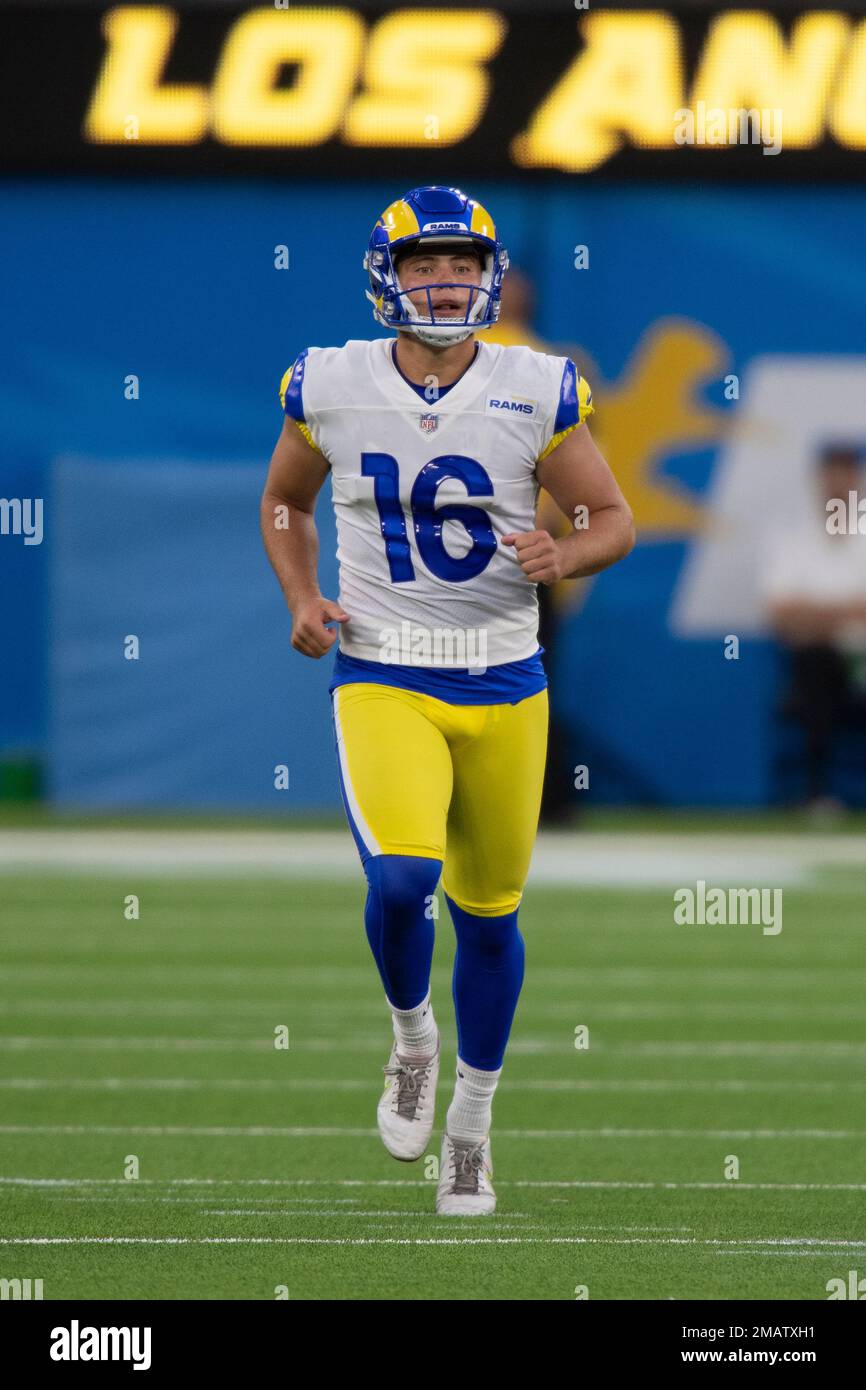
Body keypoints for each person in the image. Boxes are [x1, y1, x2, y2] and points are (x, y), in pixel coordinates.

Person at [260, 185, 634, 1215]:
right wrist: (301, 593)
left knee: (490, 918)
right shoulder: (329, 380)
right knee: (399, 883)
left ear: (491, 274)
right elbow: (286, 500)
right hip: (384, 668)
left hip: (505, 676)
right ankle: (412, 1039)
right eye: (426, 262)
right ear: (387, 275)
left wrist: (564, 550)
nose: (446, 280)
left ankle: (470, 1124)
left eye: (463, 263)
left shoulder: (535, 385)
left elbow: (611, 515)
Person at [762, 444, 866, 811]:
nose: (839, 484)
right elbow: (780, 614)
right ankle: (817, 793)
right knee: (815, 663)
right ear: (819, 479)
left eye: (848, 473)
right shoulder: (793, 536)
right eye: (832, 473)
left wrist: (815, 613)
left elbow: (800, 611)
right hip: (819, 659)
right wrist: (847, 613)